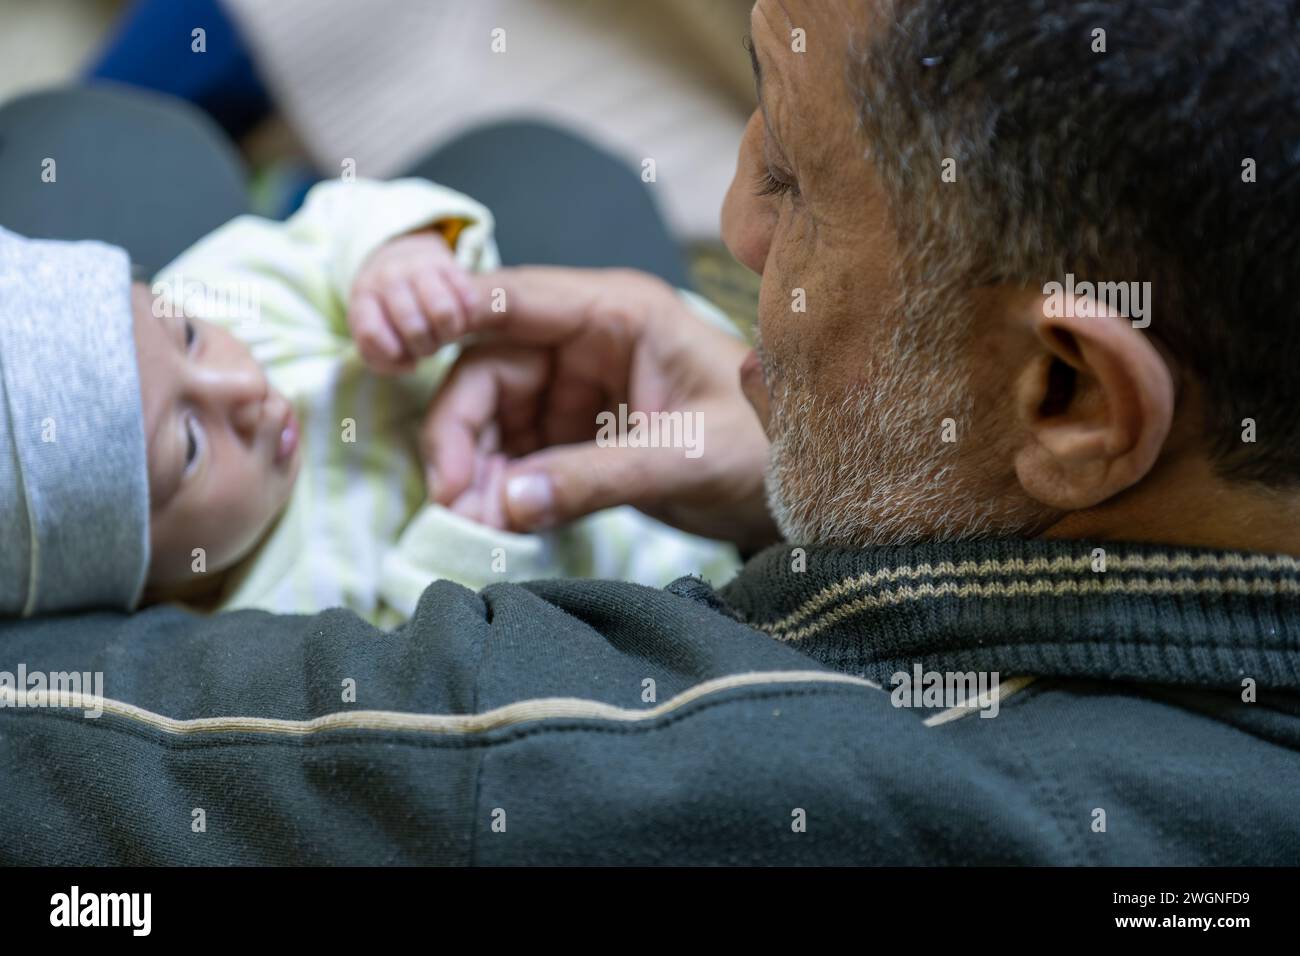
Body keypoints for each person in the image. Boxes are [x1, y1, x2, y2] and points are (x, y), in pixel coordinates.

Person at [2, 0, 1298, 865]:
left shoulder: (711, 778)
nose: (730, 226)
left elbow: (67, 747)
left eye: (792, 175)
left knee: (90, 145)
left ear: (1069, 397)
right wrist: (784, 487)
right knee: (529, 154)